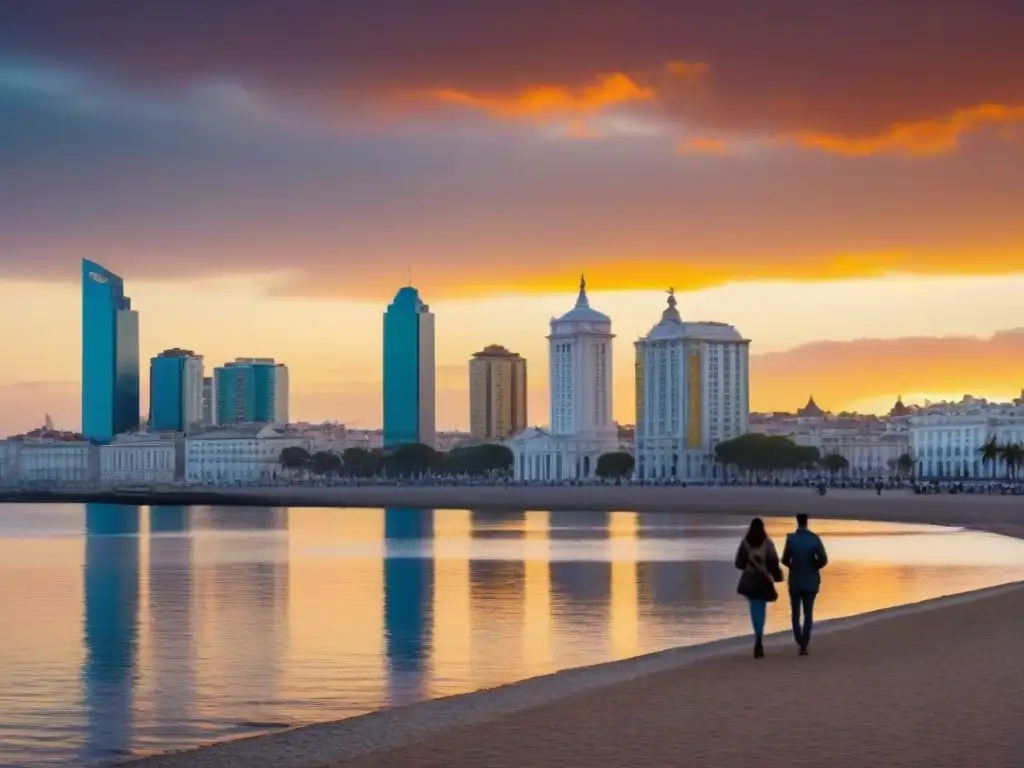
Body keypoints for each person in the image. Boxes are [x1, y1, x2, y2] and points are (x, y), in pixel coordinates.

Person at [734, 517, 783, 659]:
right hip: (763, 581)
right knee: (761, 609)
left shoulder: (745, 544)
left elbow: (738, 563)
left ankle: (758, 637)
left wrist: (748, 566)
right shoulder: (768, 543)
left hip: (749, 581)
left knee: (754, 609)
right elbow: (773, 561)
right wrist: (777, 576)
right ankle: (759, 638)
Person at [781, 513, 829, 656]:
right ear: (807, 523)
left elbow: (784, 559)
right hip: (811, 580)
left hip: (795, 581)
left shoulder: (791, 539)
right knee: (808, 613)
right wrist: (814, 565)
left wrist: (792, 566)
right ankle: (804, 644)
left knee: (795, 614)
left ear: (797, 522)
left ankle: (800, 641)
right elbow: (824, 560)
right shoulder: (814, 539)